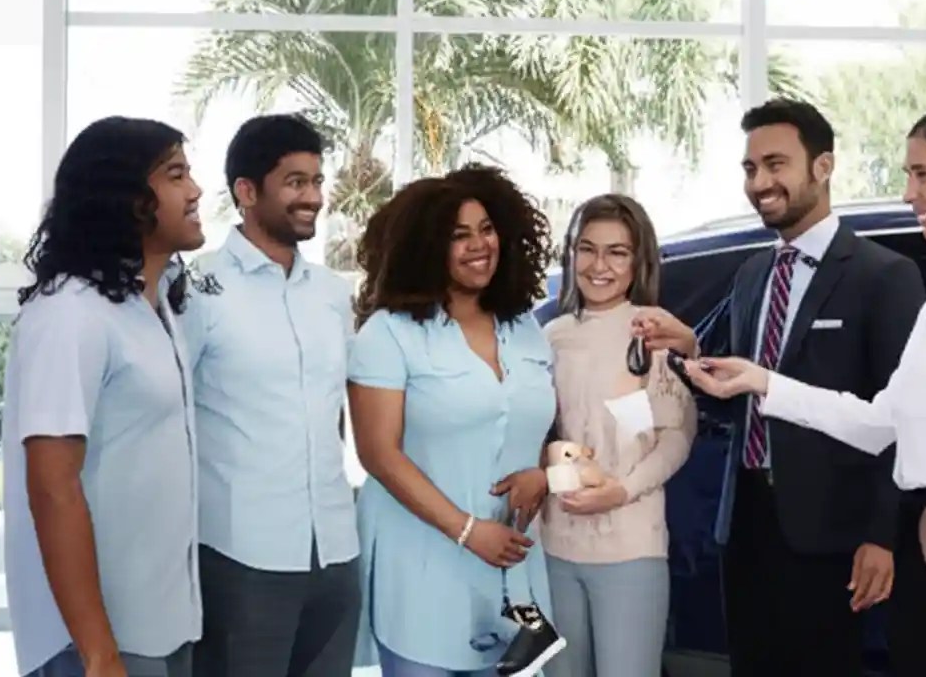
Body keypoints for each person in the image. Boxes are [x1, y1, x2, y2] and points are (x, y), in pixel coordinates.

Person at [683, 100, 926, 677]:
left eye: (923, 174)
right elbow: (882, 420)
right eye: (909, 175)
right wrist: (762, 381)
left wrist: (904, 536)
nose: (909, 193)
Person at [633, 99, 925, 676]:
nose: (760, 183)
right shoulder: (751, 275)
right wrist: (689, 352)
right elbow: (729, 388)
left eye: (775, 164)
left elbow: (905, 420)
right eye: (749, 169)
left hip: (831, 534)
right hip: (745, 525)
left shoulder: (883, 276)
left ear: (823, 166)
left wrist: (882, 536)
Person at [3, 116, 206, 677]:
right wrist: (98, 652)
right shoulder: (69, 311)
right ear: (129, 198)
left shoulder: (153, 303)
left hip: (161, 621)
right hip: (96, 642)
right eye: (176, 175)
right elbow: (51, 486)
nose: (195, 191)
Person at [348, 165, 564, 677]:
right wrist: (468, 532)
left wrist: (541, 475)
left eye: (486, 229)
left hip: (514, 566)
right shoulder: (389, 334)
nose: (479, 245)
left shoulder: (525, 329)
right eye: (458, 235)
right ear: (426, 248)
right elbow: (378, 453)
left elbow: (532, 424)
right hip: (425, 561)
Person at [179, 114, 361, 677]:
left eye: (316, 180)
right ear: (247, 191)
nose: (313, 197)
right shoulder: (196, 288)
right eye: (295, 182)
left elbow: (333, 416)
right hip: (240, 555)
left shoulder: (332, 295)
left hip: (334, 550)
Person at [540, 194, 697, 677]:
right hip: (552, 550)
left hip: (630, 549)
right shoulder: (548, 335)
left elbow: (674, 438)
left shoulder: (651, 333)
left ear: (638, 261)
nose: (599, 265)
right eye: (587, 249)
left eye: (617, 252)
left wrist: (621, 490)